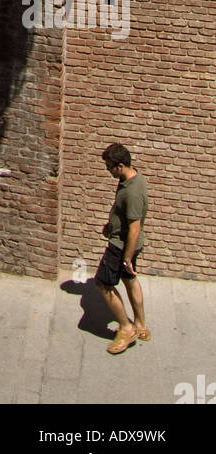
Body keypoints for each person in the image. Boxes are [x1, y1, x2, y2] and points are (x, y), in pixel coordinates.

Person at [95, 142, 151, 353]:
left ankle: (126, 329)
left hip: (122, 246)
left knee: (103, 283)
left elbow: (134, 229)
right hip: (126, 241)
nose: (108, 170)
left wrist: (126, 258)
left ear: (119, 165)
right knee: (129, 279)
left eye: (109, 166)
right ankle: (141, 325)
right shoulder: (132, 178)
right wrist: (111, 224)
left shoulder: (132, 192)